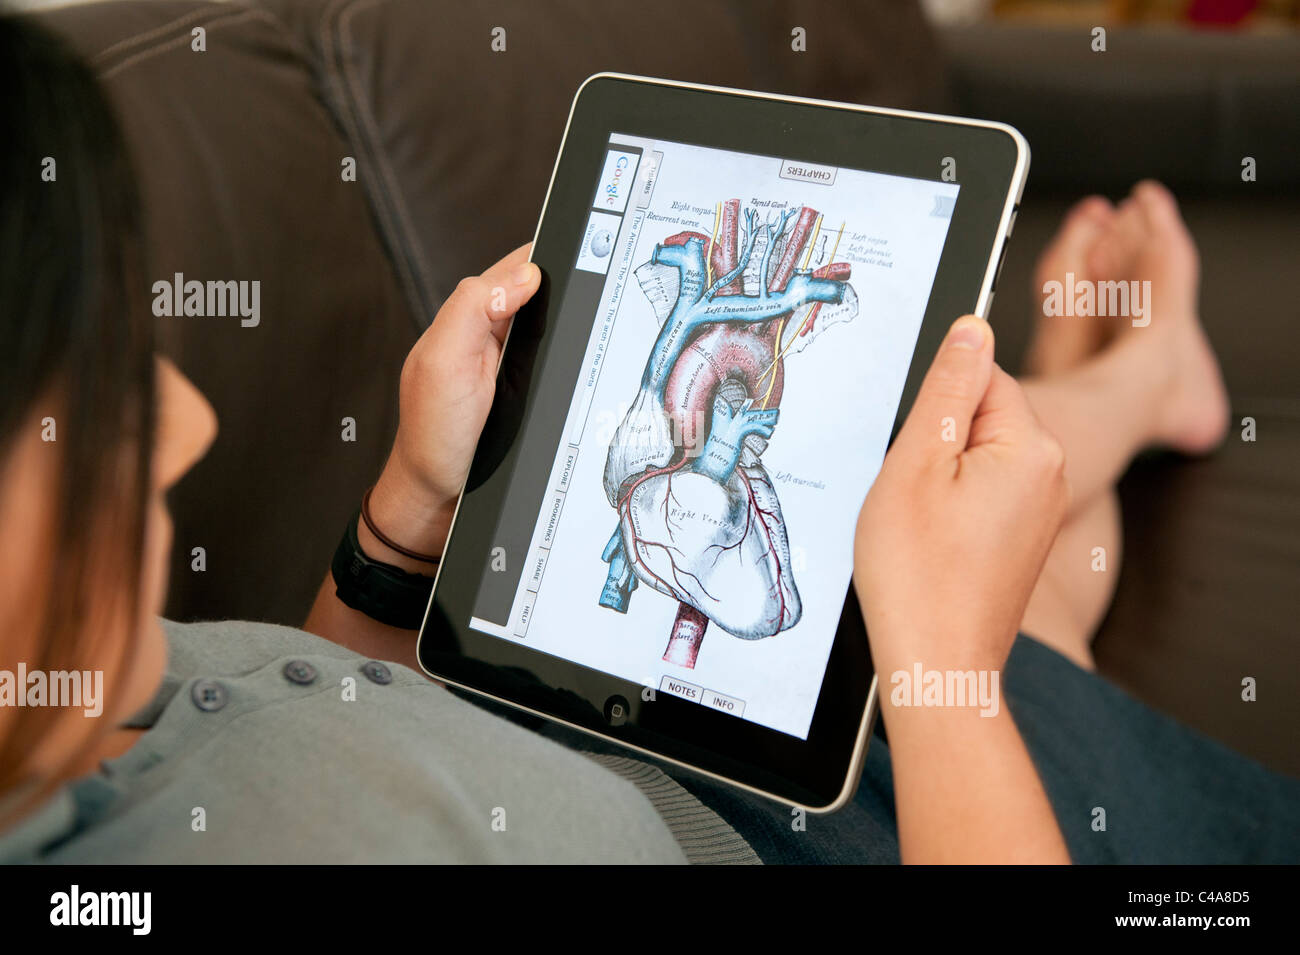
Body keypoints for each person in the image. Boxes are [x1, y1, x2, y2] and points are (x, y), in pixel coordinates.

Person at [0, 16, 1295, 864]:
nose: (185, 422)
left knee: (1008, 605)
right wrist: (947, 684)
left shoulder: (58, 729)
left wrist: (407, 517)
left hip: (639, 751)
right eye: (95, 390)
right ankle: (1135, 390)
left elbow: (336, 713)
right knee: (1005, 648)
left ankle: (1124, 396)